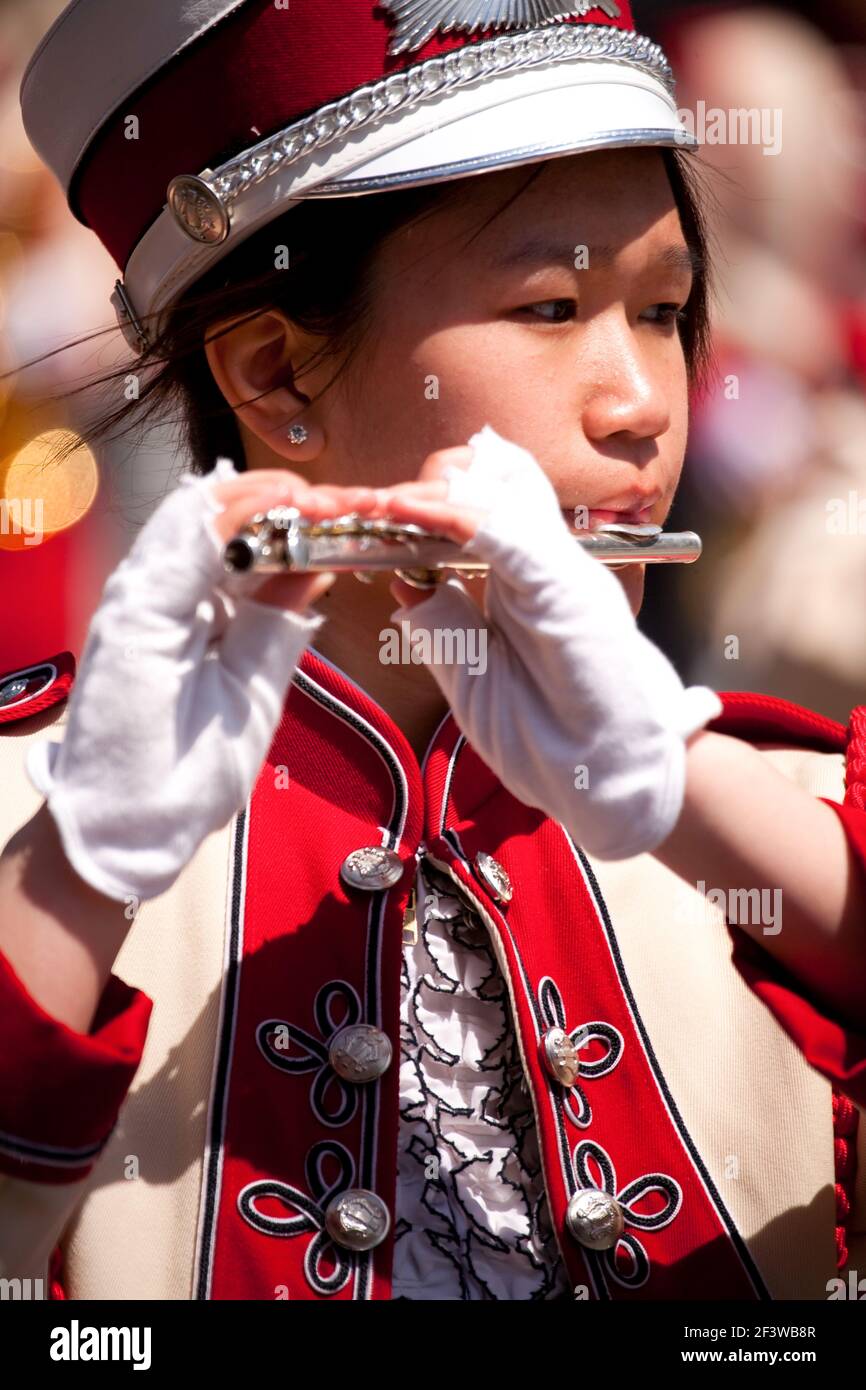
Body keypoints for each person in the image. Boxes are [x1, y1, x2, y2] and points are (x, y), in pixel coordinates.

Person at [0, 0, 863, 1302]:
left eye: (665, 311)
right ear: (277, 374)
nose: (642, 403)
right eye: (554, 303)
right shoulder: (29, 828)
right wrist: (82, 865)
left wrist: (689, 791)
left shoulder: (786, 817)